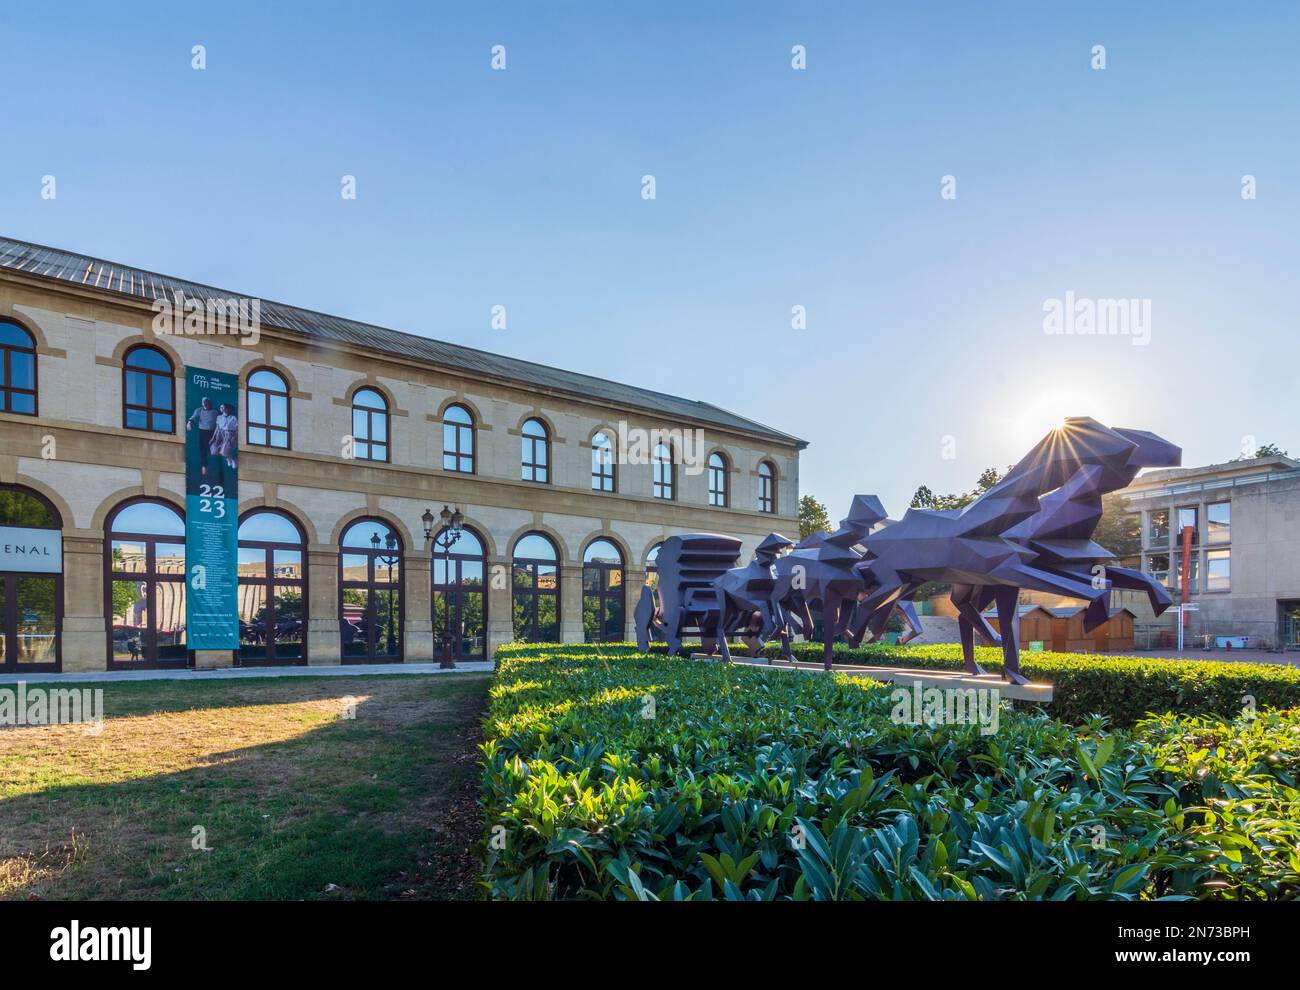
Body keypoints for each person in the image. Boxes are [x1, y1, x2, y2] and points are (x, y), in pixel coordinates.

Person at [186, 398, 218, 477]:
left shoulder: (215, 412)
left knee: (213, 450)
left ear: (210, 403)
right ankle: (204, 467)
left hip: (213, 432)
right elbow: (194, 417)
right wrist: (190, 422)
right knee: (203, 450)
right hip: (203, 432)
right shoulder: (199, 410)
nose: (205, 405)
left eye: (207, 403)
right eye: (204, 403)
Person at [210, 403, 239, 487]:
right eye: (221, 407)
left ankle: (232, 459)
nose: (222, 408)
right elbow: (217, 428)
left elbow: (237, 429)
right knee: (214, 450)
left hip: (230, 434)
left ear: (227, 409)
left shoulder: (233, 417)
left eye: (223, 407)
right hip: (220, 434)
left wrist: (235, 437)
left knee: (224, 450)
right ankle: (229, 458)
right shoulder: (219, 417)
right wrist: (213, 438)